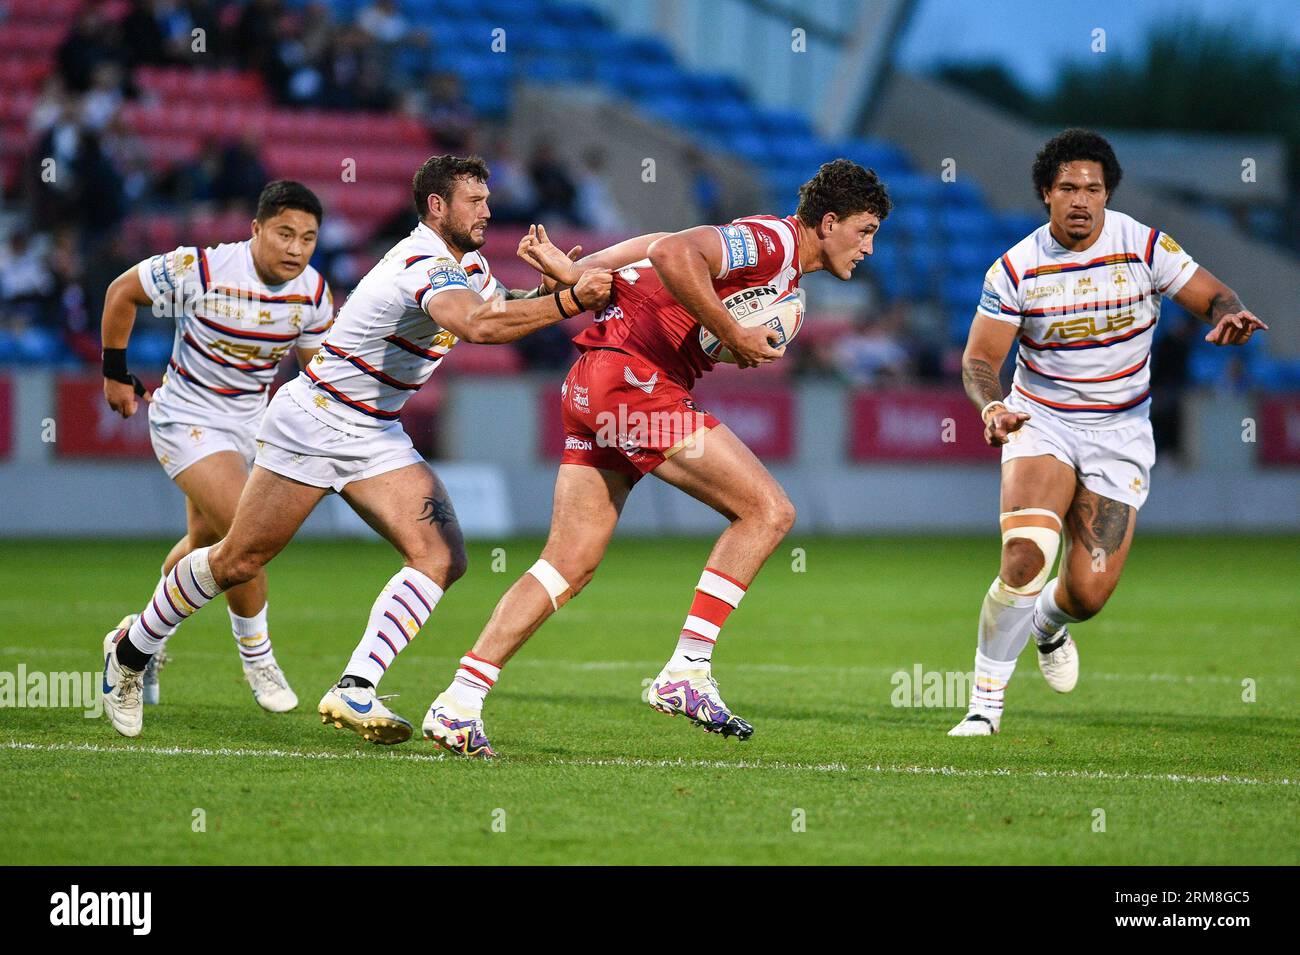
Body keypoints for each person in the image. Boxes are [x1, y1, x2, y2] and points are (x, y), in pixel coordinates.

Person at [99, 155, 612, 741]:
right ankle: (132, 650)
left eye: (487, 198)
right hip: (317, 422)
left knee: (442, 557)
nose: (488, 210)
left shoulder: (463, 263)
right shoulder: (421, 263)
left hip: (375, 432)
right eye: (474, 200)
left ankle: (355, 689)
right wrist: (569, 302)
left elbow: (499, 305)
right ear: (437, 207)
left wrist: (552, 284)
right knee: (238, 559)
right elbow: (479, 327)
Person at [421, 159, 891, 758]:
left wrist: (581, 273)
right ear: (829, 222)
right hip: (632, 382)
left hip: (596, 383)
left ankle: (459, 701)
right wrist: (732, 331)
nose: (870, 247)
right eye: (866, 229)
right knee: (768, 511)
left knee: (568, 564)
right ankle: (687, 670)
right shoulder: (774, 243)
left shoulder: (781, 273)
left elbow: (650, 250)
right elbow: (672, 253)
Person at [950, 129, 1267, 736]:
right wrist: (993, 408)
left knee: (1088, 593)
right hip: (1040, 421)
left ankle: (1048, 624)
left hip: (1120, 432)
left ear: (1107, 195)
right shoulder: (1016, 267)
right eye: (1068, 187)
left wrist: (1230, 313)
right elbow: (979, 361)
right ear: (1046, 193)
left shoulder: (1144, 247)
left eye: (1093, 189)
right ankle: (984, 706)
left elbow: (1212, 294)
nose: (1081, 200)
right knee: (1025, 555)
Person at [100, 180, 333, 712]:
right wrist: (115, 374)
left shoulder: (315, 294)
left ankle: (135, 640)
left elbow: (317, 376)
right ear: (255, 230)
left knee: (207, 549)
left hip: (251, 429)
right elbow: (122, 292)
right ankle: (259, 660)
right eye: (284, 234)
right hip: (186, 419)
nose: (296, 248)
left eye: (308, 238)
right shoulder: (201, 270)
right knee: (247, 538)